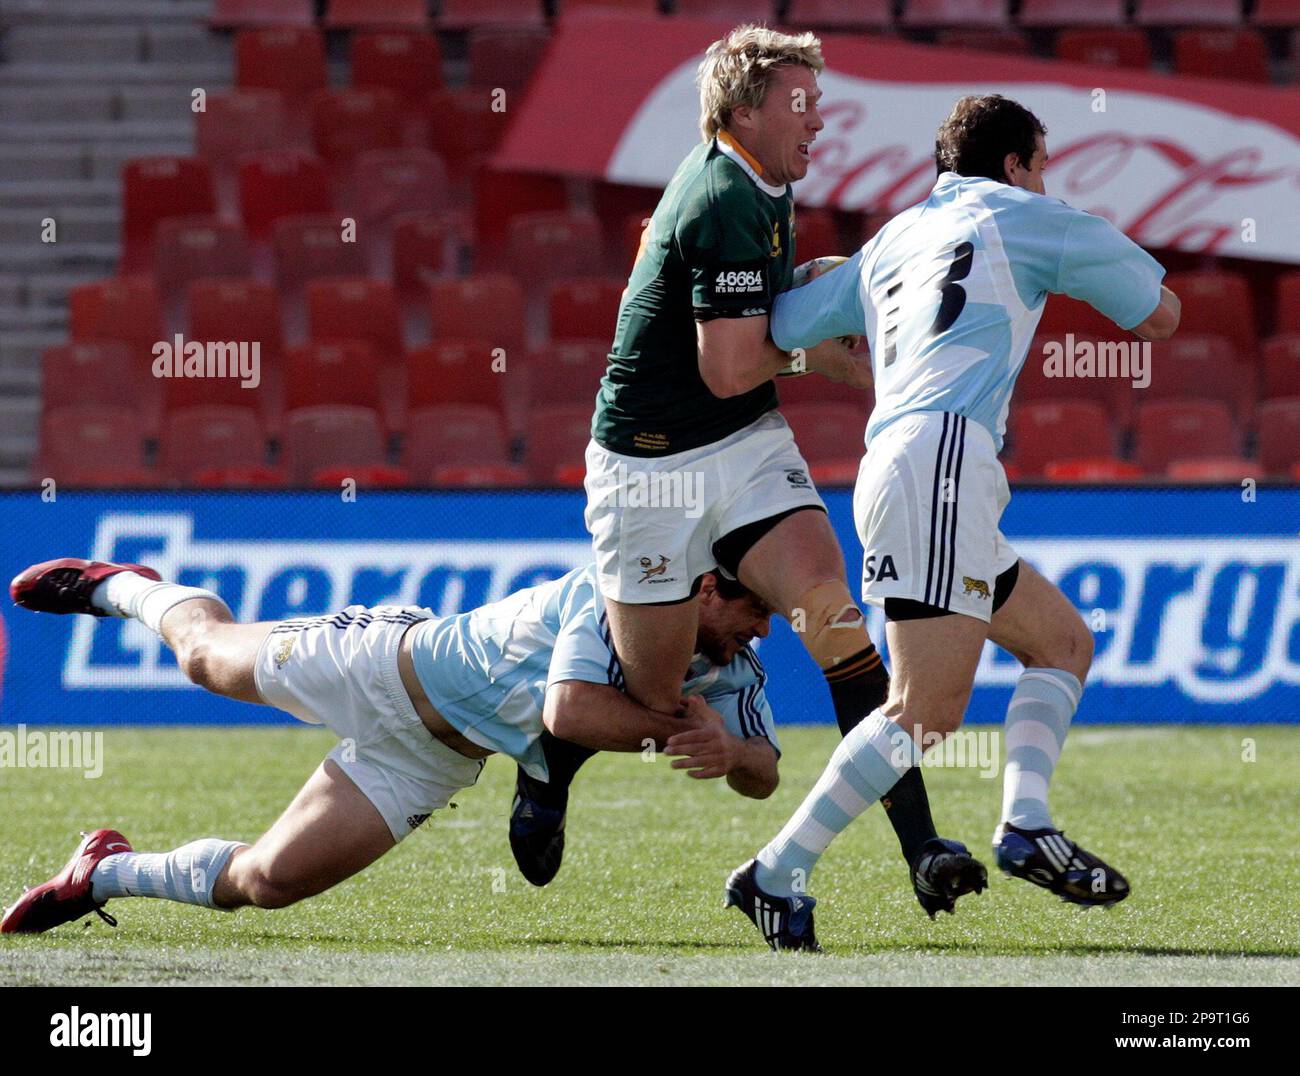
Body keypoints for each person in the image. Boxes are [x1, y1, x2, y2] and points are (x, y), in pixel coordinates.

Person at [552, 25, 986, 940]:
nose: (819, 118)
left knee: (834, 616)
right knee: (658, 695)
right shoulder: (719, 197)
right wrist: (821, 356)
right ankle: (554, 752)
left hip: (742, 446)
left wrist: (809, 289)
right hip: (649, 467)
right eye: (802, 101)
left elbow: (740, 346)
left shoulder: (763, 180)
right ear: (744, 108)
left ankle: (924, 849)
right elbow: (725, 366)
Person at [723, 93, 1182, 949]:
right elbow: (1158, 314)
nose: (1046, 179)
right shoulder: (1034, 216)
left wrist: (830, 282)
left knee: (1061, 644)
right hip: (940, 466)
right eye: (1041, 163)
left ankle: (1027, 823)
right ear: (1014, 165)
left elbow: (785, 325)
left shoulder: (893, 238)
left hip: (922, 466)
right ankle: (775, 871)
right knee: (924, 709)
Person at [2, 557, 778, 934]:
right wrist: (687, 731)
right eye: (756, 609)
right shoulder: (616, 591)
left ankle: (103, 873)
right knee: (203, 655)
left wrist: (738, 756)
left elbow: (766, 773)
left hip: (433, 756)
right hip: (380, 667)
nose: (764, 630)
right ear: (708, 587)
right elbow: (571, 709)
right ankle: (121, 587)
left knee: (268, 882)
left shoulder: (731, 665)